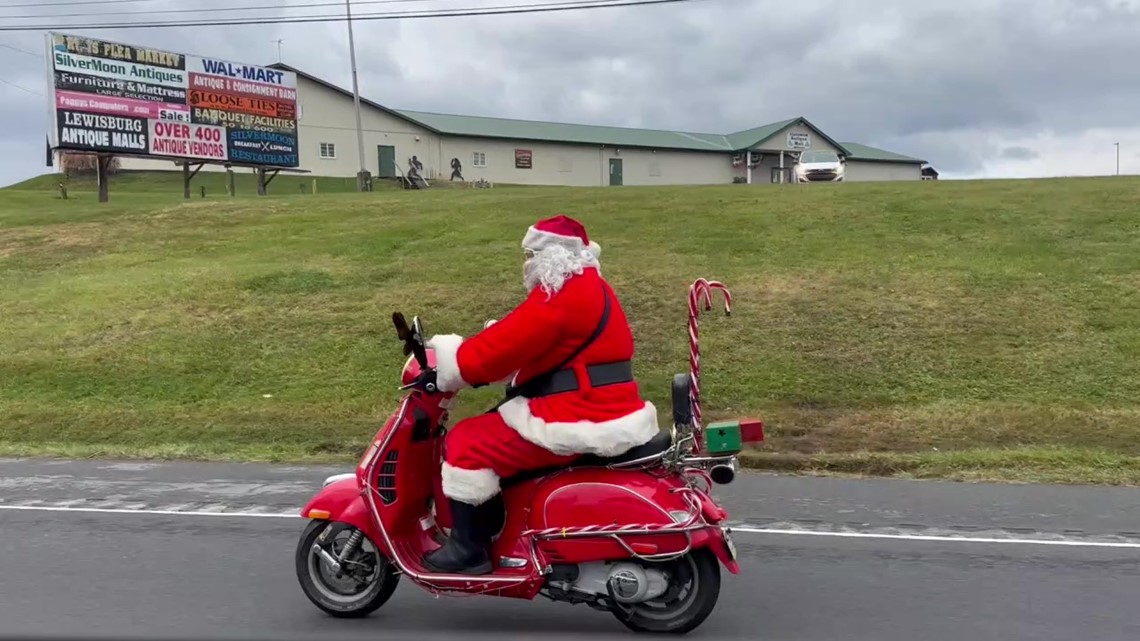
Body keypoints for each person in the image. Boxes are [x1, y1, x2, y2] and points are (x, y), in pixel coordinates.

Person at [419, 214, 660, 575]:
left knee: (468, 442)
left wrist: (451, 363)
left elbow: (501, 348)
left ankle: (469, 549)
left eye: (532, 254)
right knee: (494, 425)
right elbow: (532, 338)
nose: (528, 263)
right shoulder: (592, 287)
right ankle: (503, 530)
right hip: (604, 406)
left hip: (576, 414)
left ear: (553, 255)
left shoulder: (559, 295)